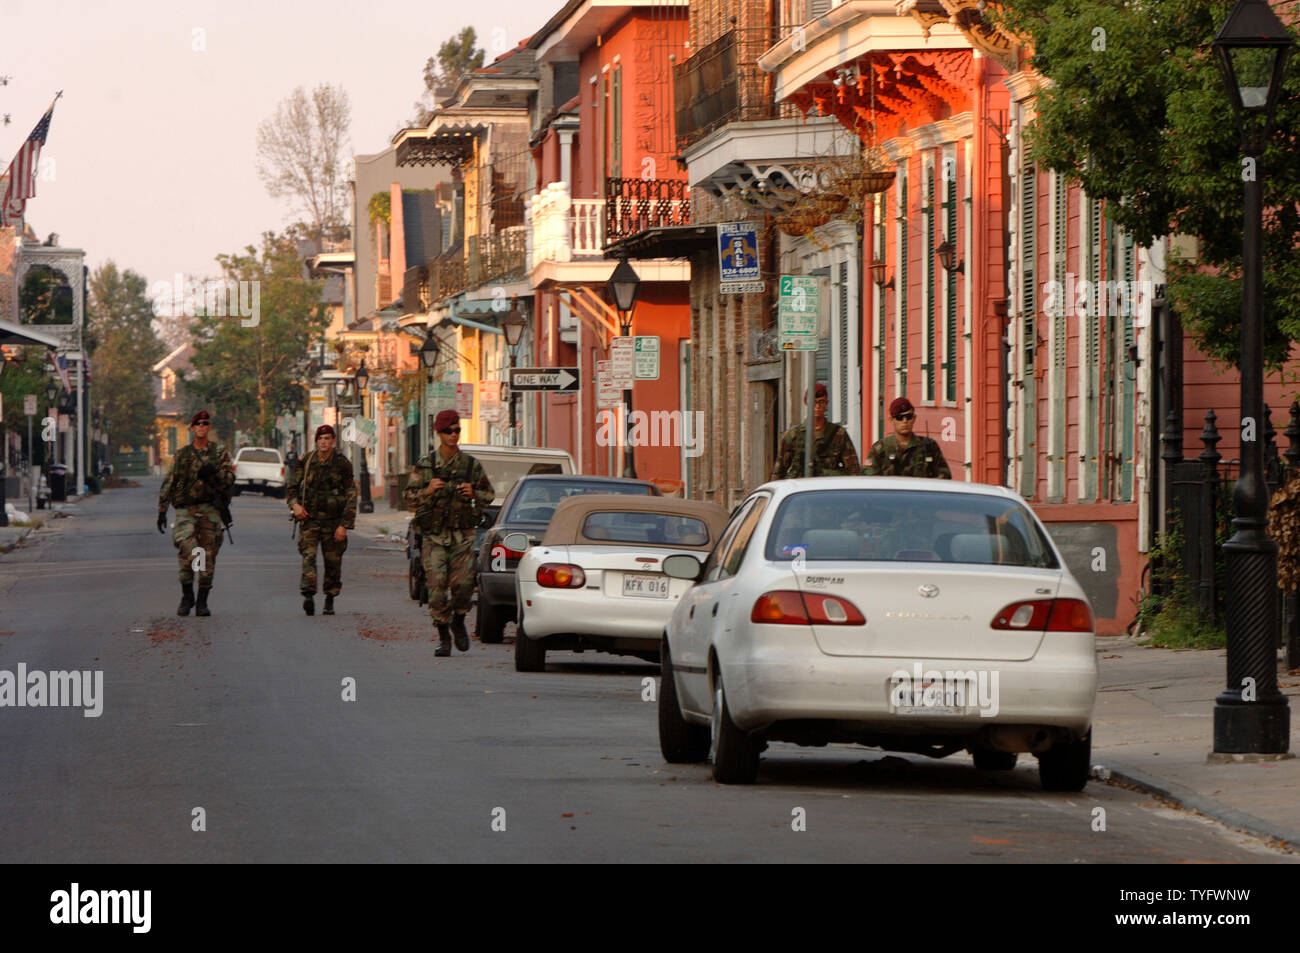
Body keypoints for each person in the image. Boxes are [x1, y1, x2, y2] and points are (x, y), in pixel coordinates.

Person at [402, 410, 493, 657]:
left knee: (464, 585)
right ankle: (443, 634)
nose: (454, 436)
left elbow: (489, 495)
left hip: (462, 536)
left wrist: (473, 492)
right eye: (449, 431)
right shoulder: (425, 465)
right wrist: (428, 491)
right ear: (439, 433)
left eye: (457, 430)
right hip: (434, 536)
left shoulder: (471, 465)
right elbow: (408, 498)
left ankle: (458, 619)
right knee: (437, 587)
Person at [157, 410, 234, 616]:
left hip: (210, 509)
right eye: (198, 423)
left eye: (205, 423)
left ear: (209, 427)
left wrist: (215, 473)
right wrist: (162, 510)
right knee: (189, 549)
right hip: (186, 510)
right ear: (192, 428)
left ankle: (201, 600)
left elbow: (230, 479)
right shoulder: (182, 455)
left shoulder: (219, 453)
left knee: (207, 555)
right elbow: (170, 482)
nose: (201, 426)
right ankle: (187, 593)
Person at [288, 424, 358, 616]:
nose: (324, 442)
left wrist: (344, 525)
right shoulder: (307, 461)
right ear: (316, 441)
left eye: (327, 438)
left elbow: (351, 494)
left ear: (333, 441)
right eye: (321, 439)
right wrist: (295, 506)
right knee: (308, 556)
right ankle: (308, 595)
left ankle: (330, 598)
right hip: (309, 519)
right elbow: (291, 487)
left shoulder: (342, 463)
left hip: (333, 521)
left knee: (333, 561)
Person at [770, 382, 862, 480]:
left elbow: (854, 471)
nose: (817, 406)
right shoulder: (793, 435)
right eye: (813, 402)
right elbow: (779, 472)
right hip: (800, 490)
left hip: (827, 489)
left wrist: (827, 474)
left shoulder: (838, 434)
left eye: (821, 402)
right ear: (806, 403)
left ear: (826, 403)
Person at [864, 397, 952, 479]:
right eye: (899, 418)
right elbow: (869, 478)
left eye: (908, 417)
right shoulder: (881, 449)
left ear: (914, 418)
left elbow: (944, 476)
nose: (905, 421)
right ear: (891, 420)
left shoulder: (929, 446)